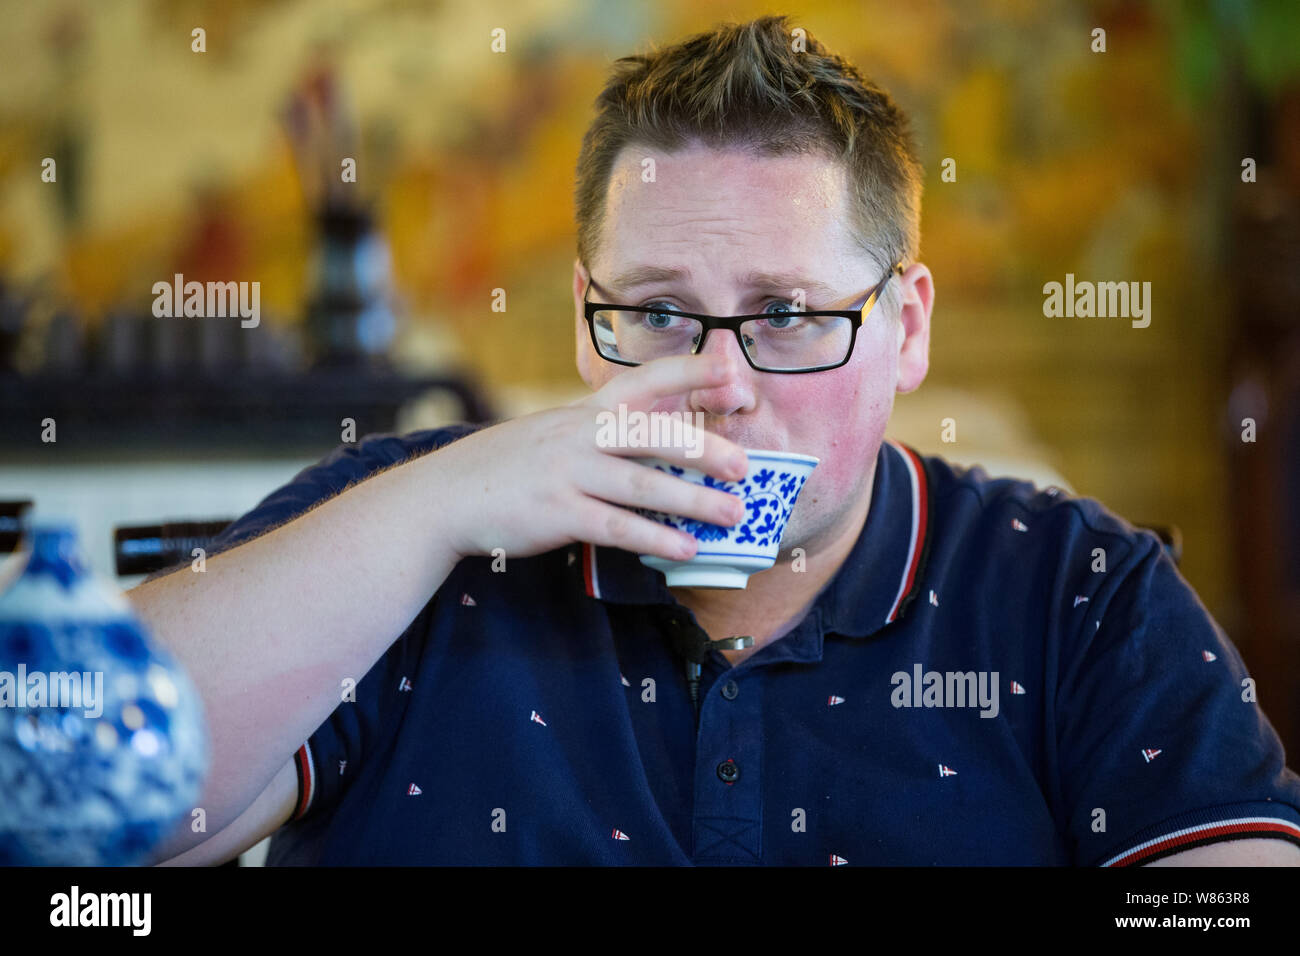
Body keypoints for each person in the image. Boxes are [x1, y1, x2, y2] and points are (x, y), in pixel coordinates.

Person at [137, 15, 1300, 866]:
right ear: (587, 326)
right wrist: (442, 500)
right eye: (656, 313)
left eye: (788, 314)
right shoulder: (411, 534)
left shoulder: (1078, 594)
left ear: (906, 328)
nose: (720, 385)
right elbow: (76, 814)